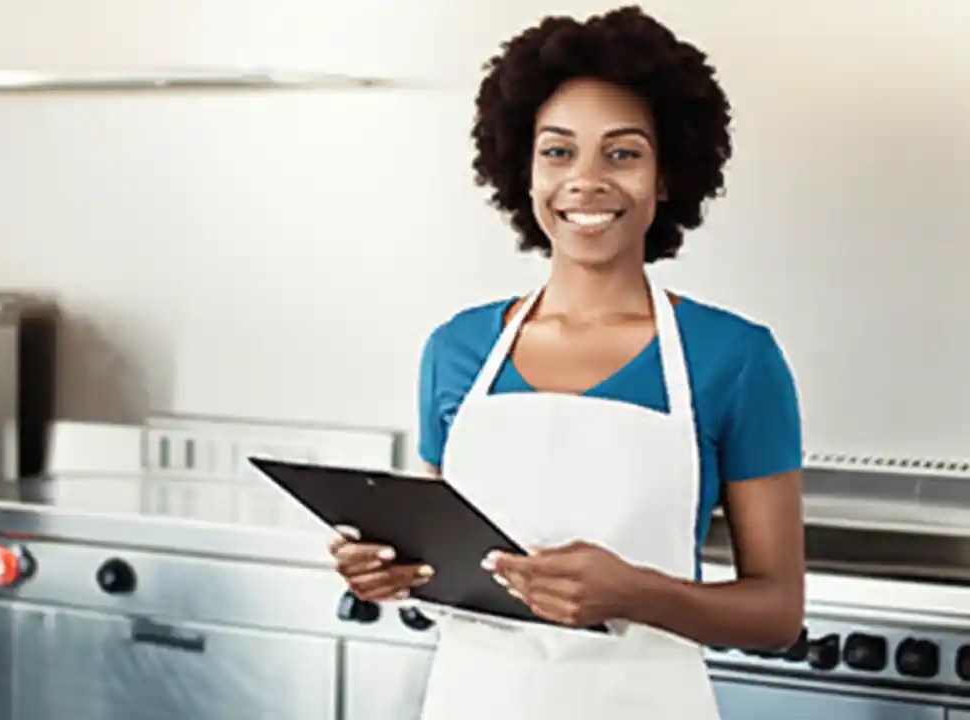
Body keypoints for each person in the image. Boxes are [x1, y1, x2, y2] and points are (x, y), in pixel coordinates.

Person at [328, 6, 805, 718]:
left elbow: (776, 613)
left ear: (667, 175)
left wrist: (638, 593)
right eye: (557, 151)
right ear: (521, 170)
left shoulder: (734, 359)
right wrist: (389, 572)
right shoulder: (457, 351)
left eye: (623, 153)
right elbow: (442, 566)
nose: (586, 181)